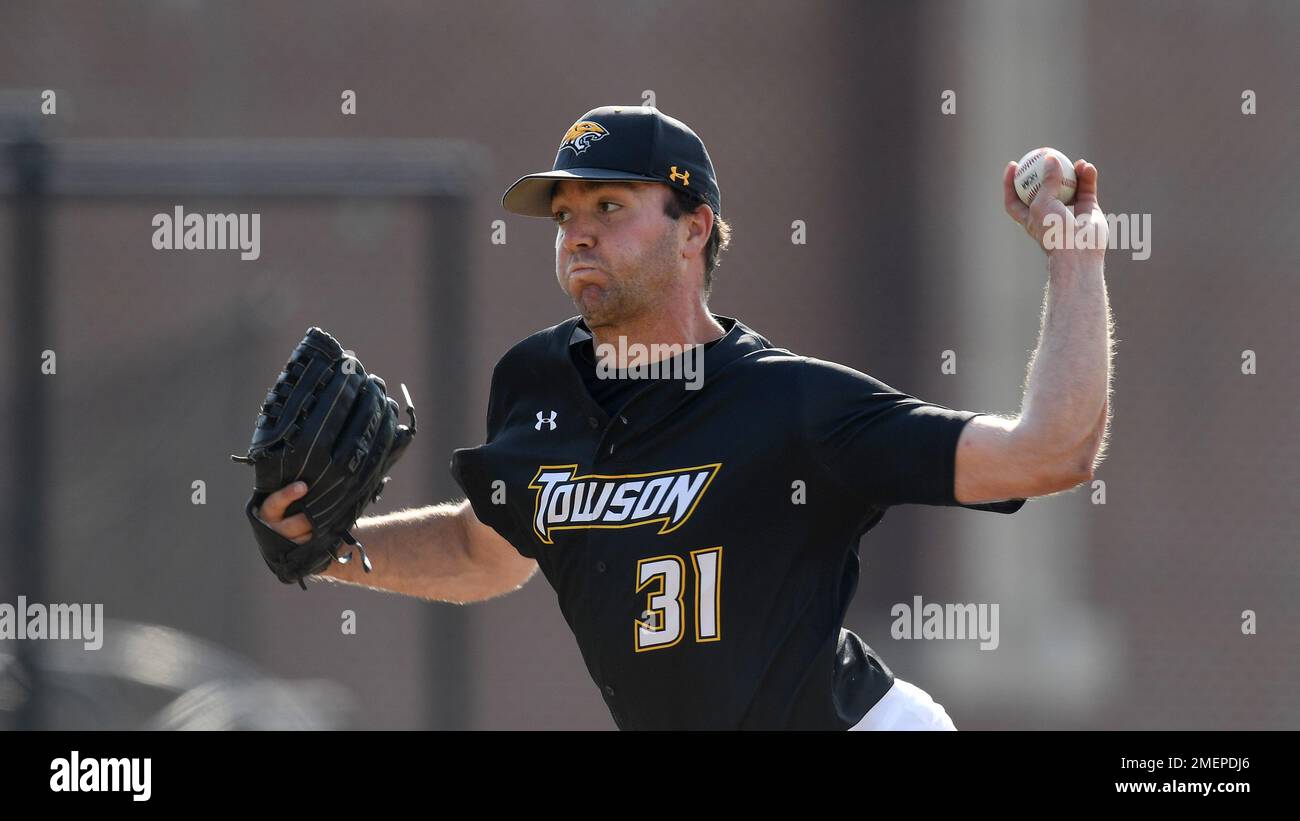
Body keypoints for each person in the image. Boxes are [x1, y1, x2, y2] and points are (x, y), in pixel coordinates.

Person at [255, 105, 1113, 730]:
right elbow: (485, 549)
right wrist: (329, 547)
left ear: (694, 228)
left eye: (609, 208)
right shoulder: (534, 382)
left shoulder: (793, 405)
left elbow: (1050, 451)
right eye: (564, 216)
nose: (577, 235)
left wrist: (1074, 256)